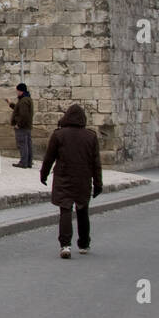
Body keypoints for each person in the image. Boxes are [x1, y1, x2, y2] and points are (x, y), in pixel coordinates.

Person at [39, 103, 103, 259]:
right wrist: (98, 184)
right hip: (83, 178)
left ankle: (65, 245)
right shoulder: (91, 136)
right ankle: (84, 243)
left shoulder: (58, 135)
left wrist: (44, 174)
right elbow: (96, 163)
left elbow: (49, 158)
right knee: (82, 210)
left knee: (65, 210)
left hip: (63, 177)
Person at [7, 83, 34, 167]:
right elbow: (19, 110)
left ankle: (23, 162)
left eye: (17, 91)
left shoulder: (24, 101)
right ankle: (28, 162)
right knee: (27, 144)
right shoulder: (27, 99)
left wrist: (19, 124)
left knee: (22, 144)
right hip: (27, 126)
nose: (17, 92)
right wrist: (10, 104)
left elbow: (24, 114)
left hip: (22, 127)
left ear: (20, 91)